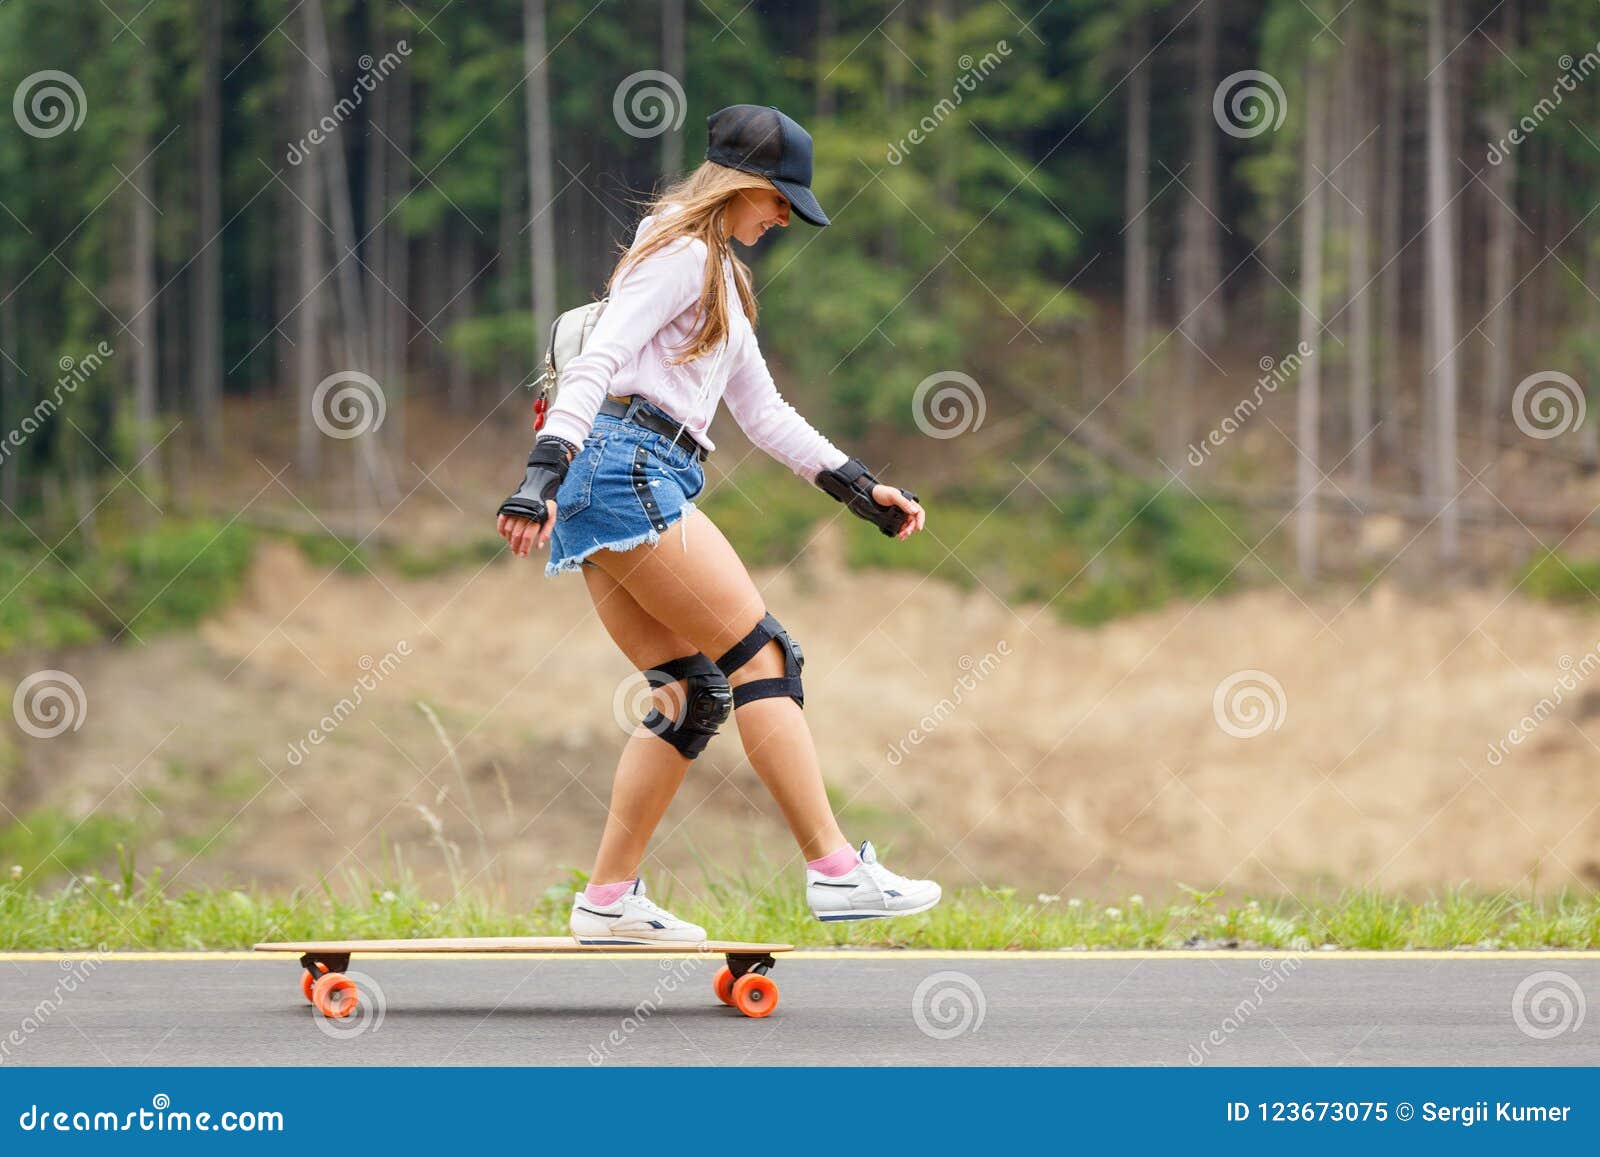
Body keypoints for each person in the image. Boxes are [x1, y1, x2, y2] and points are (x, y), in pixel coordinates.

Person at [496, 104, 940, 945]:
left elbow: (764, 412)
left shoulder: (720, 276)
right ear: (740, 185)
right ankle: (836, 871)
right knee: (763, 657)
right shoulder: (680, 253)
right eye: (779, 200)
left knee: (690, 691)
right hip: (625, 465)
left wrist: (858, 487)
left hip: (619, 472)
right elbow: (598, 359)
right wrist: (540, 472)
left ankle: (607, 898)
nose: (784, 219)